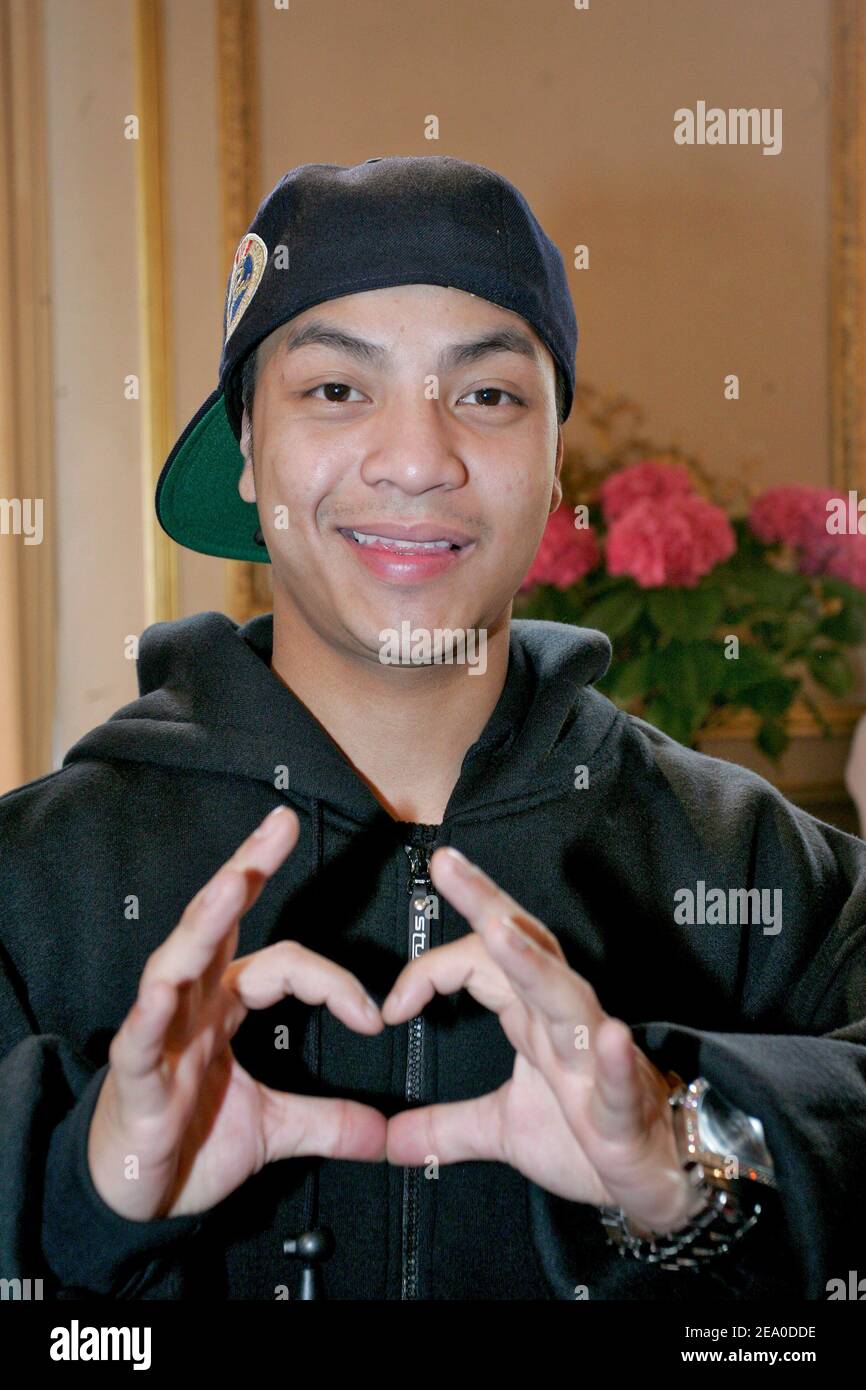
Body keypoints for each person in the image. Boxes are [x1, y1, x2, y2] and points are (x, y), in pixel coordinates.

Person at [1, 156, 864, 1302]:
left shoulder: (752, 866)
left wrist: (689, 1161)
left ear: (555, 460)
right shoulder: (30, 878)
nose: (415, 460)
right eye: (336, 391)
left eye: (488, 395)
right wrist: (85, 1186)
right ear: (249, 449)